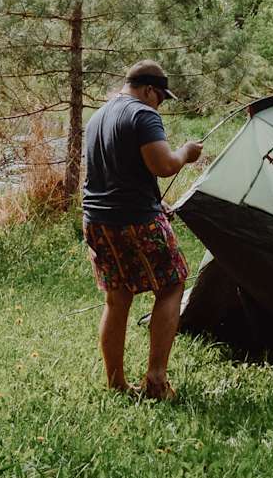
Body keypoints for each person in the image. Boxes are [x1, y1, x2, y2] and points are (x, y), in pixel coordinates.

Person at [81, 59, 203, 400]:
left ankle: (117, 383)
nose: (159, 104)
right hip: (133, 220)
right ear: (150, 90)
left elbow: (115, 174)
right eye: (160, 97)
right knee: (172, 283)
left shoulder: (98, 117)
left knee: (117, 297)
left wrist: (154, 201)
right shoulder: (143, 114)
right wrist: (186, 153)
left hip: (97, 220)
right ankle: (156, 381)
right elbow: (164, 165)